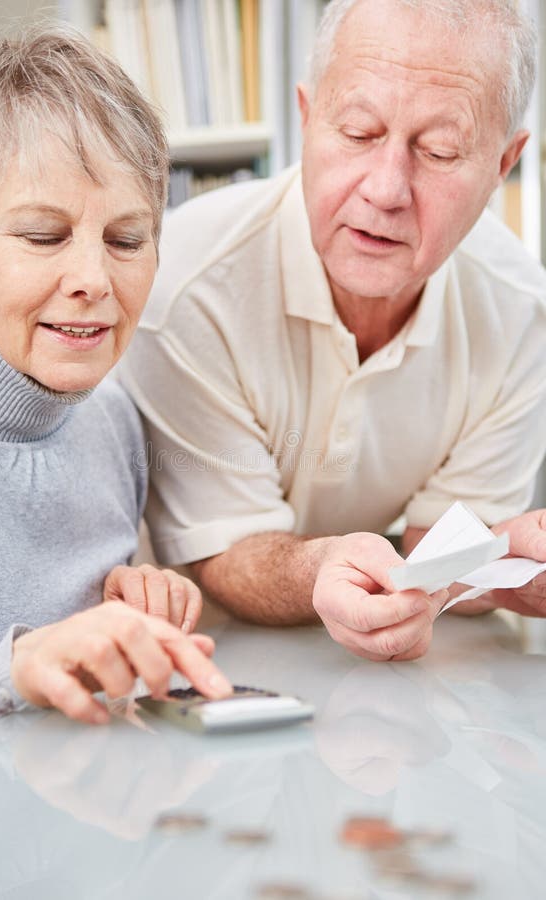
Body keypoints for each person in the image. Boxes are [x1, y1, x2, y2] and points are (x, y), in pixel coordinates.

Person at [118, 0, 546, 662]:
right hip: (192, 657)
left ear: (503, 165)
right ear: (307, 116)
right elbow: (227, 552)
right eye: (357, 132)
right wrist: (327, 569)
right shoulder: (183, 288)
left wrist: (505, 561)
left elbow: (437, 547)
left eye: (439, 151)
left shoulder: (521, 313)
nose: (386, 190)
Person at [0, 23, 232, 739]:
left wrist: (133, 602)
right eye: (43, 236)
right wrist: (14, 671)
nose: (94, 280)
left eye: (126, 240)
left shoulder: (114, 420)